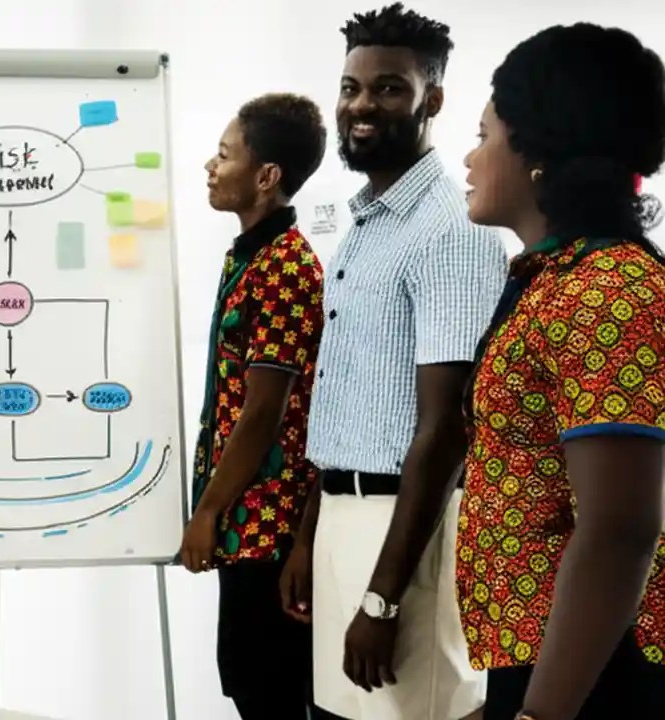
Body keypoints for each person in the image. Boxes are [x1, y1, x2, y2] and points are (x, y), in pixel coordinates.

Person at [282, 4, 507, 719]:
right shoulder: (364, 224)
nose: (361, 106)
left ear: (431, 100)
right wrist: (310, 534)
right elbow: (345, 398)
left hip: (411, 529)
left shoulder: (452, 228)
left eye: (388, 88)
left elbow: (447, 429)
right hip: (346, 518)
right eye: (351, 87)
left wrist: (382, 596)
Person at [459, 23, 665, 720]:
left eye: (484, 135)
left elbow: (619, 527)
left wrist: (540, 713)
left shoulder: (605, 289)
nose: (469, 157)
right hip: (551, 655)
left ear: (537, 154)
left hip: (599, 669)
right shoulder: (558, 279)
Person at [179, 93, 328, 718]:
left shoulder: (286, 267)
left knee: (268, 689)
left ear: (266, 177)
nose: (210, 168)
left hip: (267, 525)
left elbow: (264, 411)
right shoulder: (247, 257)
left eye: (223, 155)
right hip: (244, 518)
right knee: (245, 680)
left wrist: (207, 510)